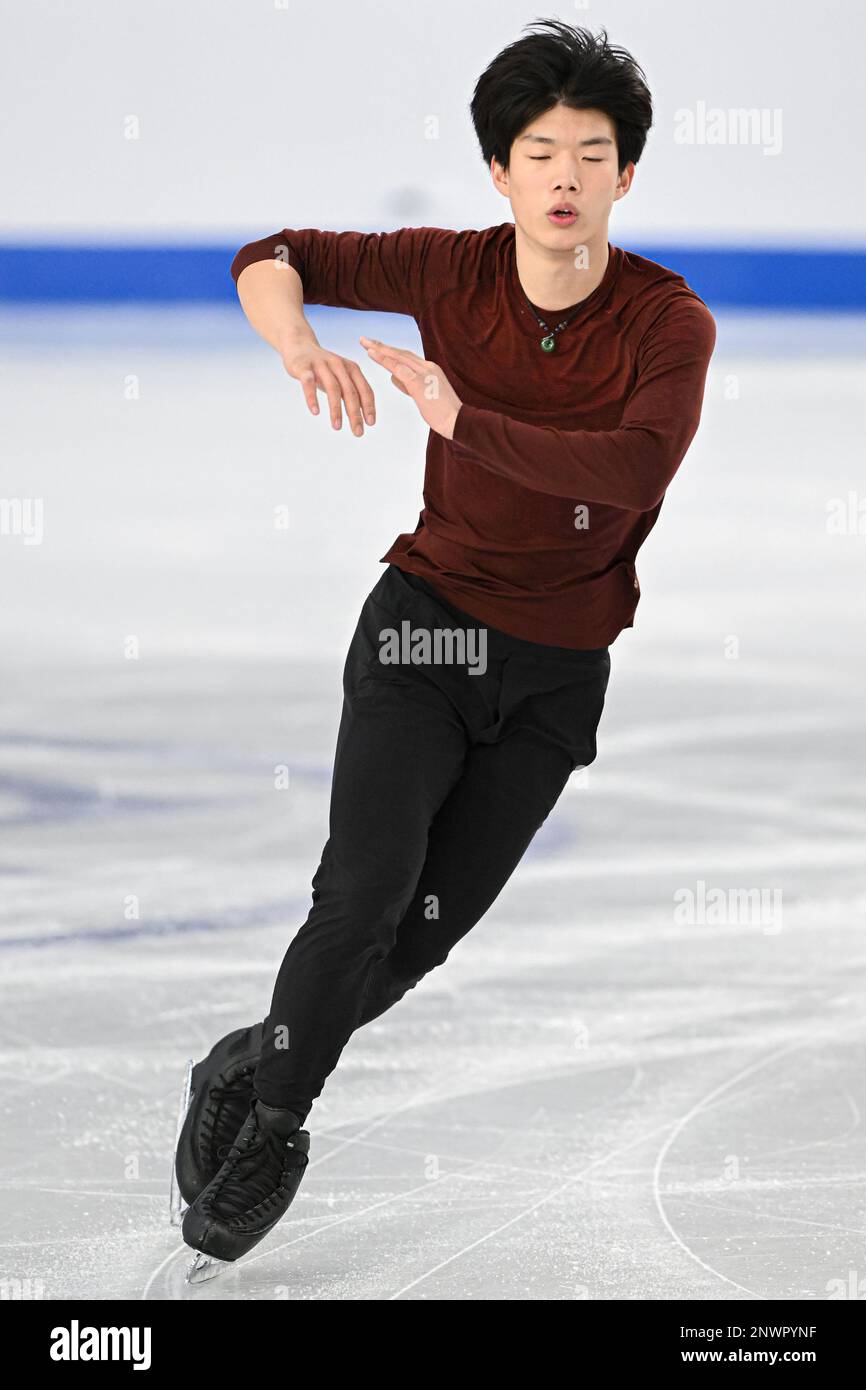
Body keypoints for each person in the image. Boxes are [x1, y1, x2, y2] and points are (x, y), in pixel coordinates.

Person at [176, 18, 716, 1275]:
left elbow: (630, 472)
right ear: (501, 172)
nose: (565, 177)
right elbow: (274, 253)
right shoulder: (451, 271)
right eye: (540, 151)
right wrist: (297, 338)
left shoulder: (664, 325)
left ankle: (248, 1052)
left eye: (591, 152)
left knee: (410, 943)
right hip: (423, 634)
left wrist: (461, 416)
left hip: (552, 678)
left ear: (625, 176)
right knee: (358, 897)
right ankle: (274, 1125)